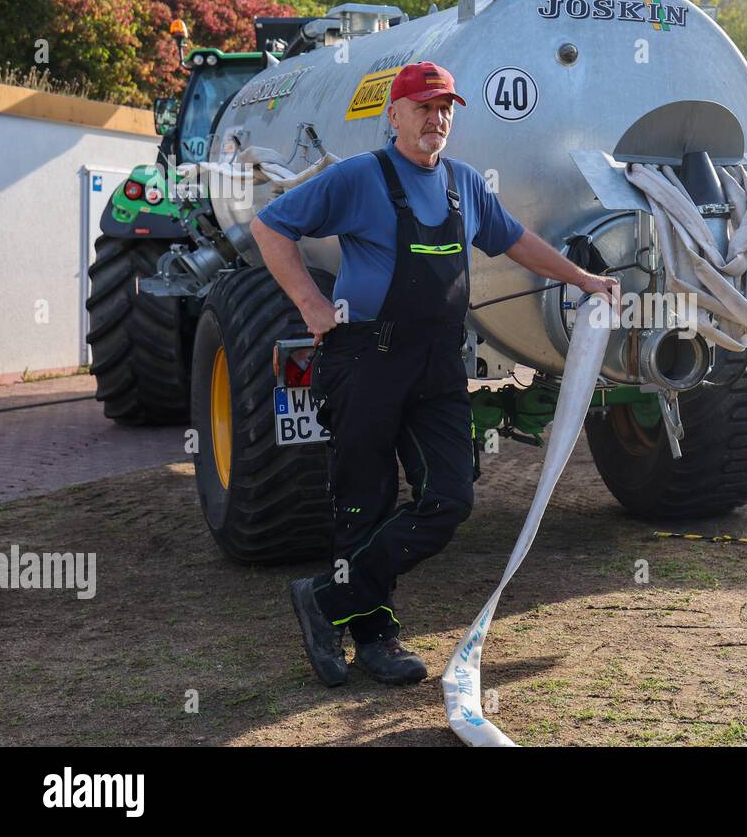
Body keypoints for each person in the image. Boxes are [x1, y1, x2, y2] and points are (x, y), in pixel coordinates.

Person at [250, 61, 618, 686]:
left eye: (445, 107)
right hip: (366, 358)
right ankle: (375, 639)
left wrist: (581, 279)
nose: (436, 118)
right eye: (423, 107)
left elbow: (516, 240)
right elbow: (270, 225)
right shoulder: (359, 178)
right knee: (362, 503)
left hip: (439, 363)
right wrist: (312, 305)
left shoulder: (464, 185)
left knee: (449, 499)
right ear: (393, 115)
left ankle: (326, 600)